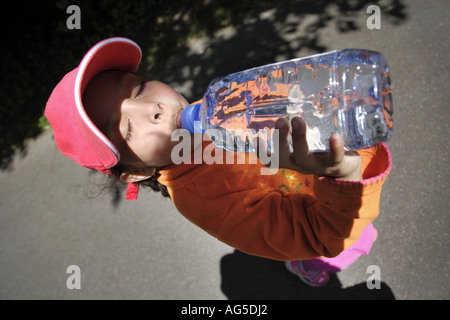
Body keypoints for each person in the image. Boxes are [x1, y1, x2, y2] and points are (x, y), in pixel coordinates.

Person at [45, 38, 392, 287]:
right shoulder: (206, 200)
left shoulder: (216, 108)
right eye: (126, 129)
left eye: (137, 89)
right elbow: (317, 234)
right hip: (326, 224)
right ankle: (303, 266)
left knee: (362, 228)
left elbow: (288, 101)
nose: (153, 108)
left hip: (324, 194)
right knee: (334, 250)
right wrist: (342, 175)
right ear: (136, 171)